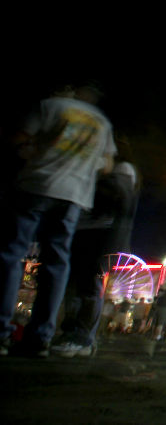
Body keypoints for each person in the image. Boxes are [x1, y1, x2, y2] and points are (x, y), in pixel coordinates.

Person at [0, 83, 116, 357]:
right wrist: (83, 168)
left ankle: (2, 332)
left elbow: (18, 139)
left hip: (36, 185)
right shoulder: (101, 123)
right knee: (57, 262)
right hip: (74, 195)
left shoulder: (49, 107)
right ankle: (40, 337)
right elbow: (107, 164)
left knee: (12, 254)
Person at [52, 145, 138, 357]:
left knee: (90, 287)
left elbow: (122, 198)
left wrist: (98, 178)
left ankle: (82, 338)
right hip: (82, 232)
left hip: (102, 236)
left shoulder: (122, 171)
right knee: (74, 287)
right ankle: (72, 334)